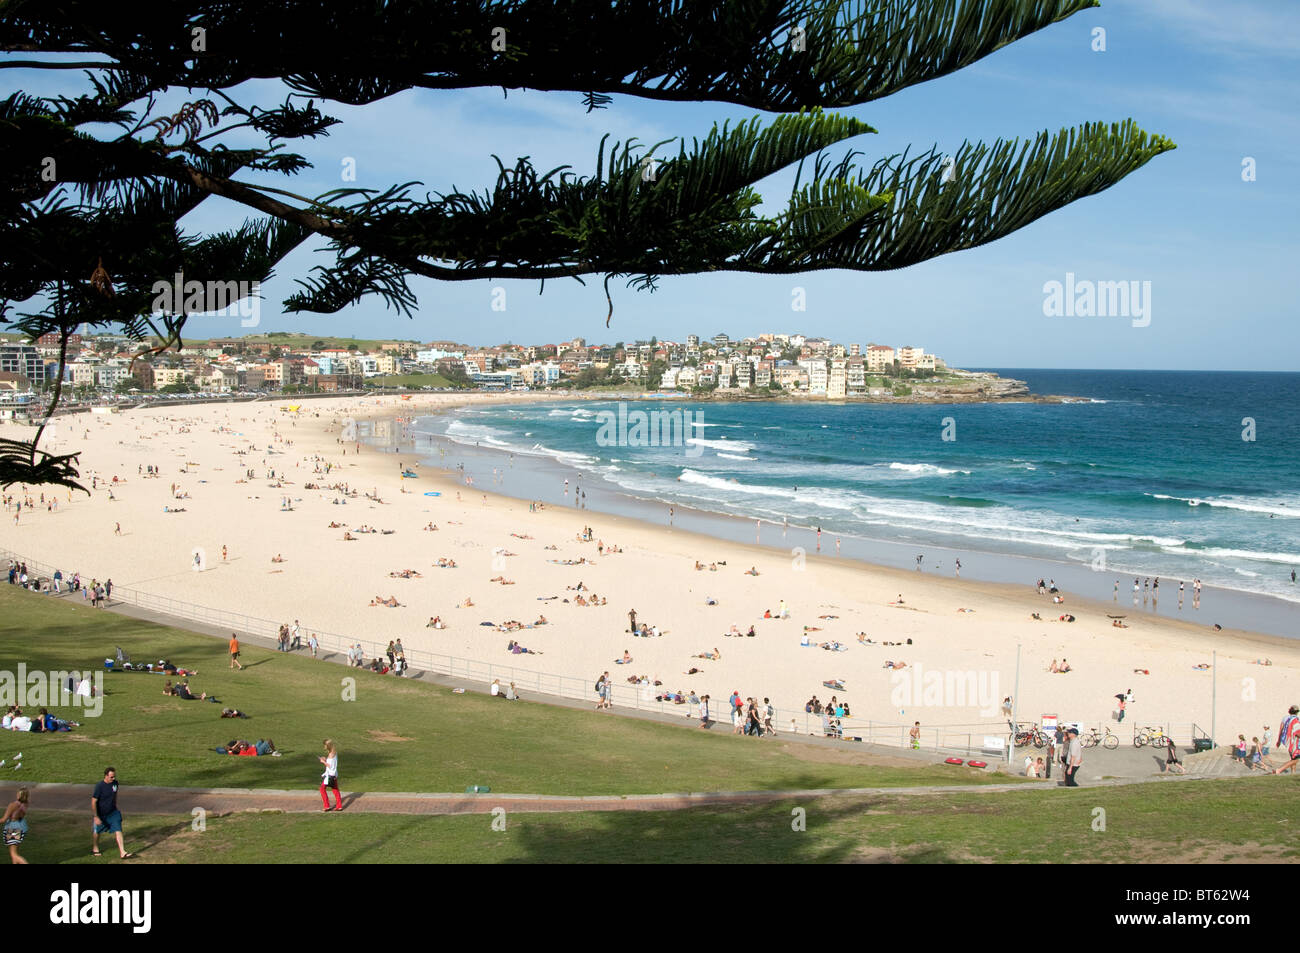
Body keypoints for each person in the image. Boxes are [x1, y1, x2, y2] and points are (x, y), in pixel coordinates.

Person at [92, 766, 132, 858]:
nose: (113, 778)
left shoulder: (115, 784)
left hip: (113, 812)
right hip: (101, 814)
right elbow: (93, 801)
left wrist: (115, 805)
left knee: (118, 829)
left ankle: (122, 852)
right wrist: (96, 816)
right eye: (111, 777)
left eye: (114, 776)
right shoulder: (99, 786)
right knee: (97, 831)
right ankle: (95, 848)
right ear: (106, 776)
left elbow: (115, 795)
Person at [2, 788, 28, 864]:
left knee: (14, 854)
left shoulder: (13, 805)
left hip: (13, 828)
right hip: (21, 826)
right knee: (14, 852)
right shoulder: (25, 804)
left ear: (19, 795)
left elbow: (4, 819)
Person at [319, 739, 343, 811]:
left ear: (328, 746)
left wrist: (323, 762)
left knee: (322, 789)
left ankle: (327, 806)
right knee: (335, 790)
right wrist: (325, 759)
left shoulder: (331, 754)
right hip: (334, 775)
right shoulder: (334, 753)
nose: (324, 747)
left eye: (325, 745)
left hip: (330, 776)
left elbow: (330, 766)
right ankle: (339, 806)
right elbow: (331, 763)